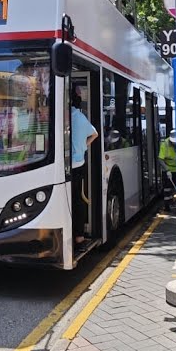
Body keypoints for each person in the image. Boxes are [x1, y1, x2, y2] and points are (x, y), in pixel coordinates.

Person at [70, 90, 99, 244]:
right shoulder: (80, 117)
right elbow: (95, 134)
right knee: (77, 199)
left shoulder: (64, 117)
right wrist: (83, 147)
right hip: (79, 163)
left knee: (68, 200)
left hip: (67, 165)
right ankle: (79, 235)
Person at [159, 130, 176, 206]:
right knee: (167, 189)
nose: (174, 143)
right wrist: (167, 170)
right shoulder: (165, 144)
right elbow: (160, 159)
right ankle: (167, 206)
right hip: (168, 170)